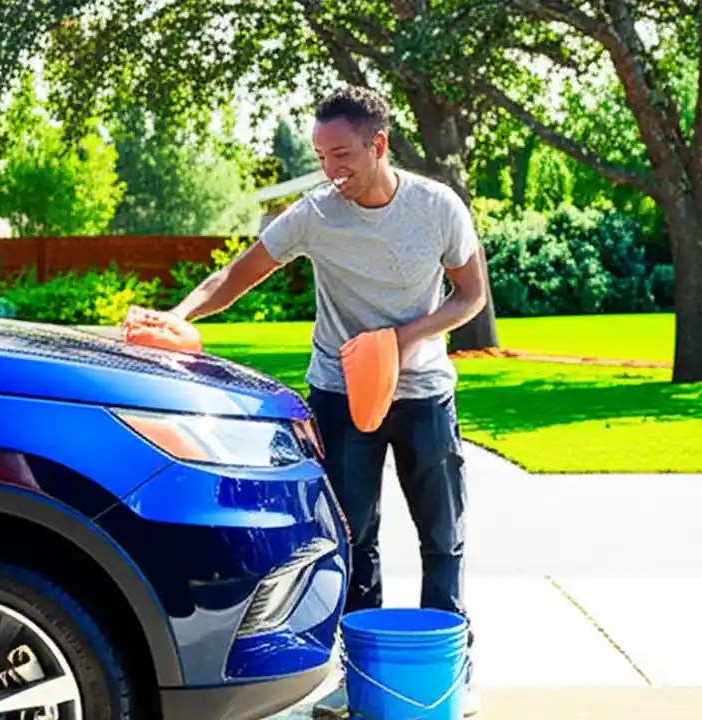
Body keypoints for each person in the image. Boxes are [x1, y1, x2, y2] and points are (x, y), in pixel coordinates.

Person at [166, 85, 487, 717]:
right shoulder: (315, 213)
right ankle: (360, 674)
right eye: (320, 155)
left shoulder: (436, 207)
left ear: (379, 145)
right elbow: (235, 275)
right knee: (353, 534)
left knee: (442, 534)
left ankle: (450, 666)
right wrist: (175, 315)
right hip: (340, 394)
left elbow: (470, 295)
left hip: (421, 391)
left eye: (341, 154)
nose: (330, 169)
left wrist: (398, 340)